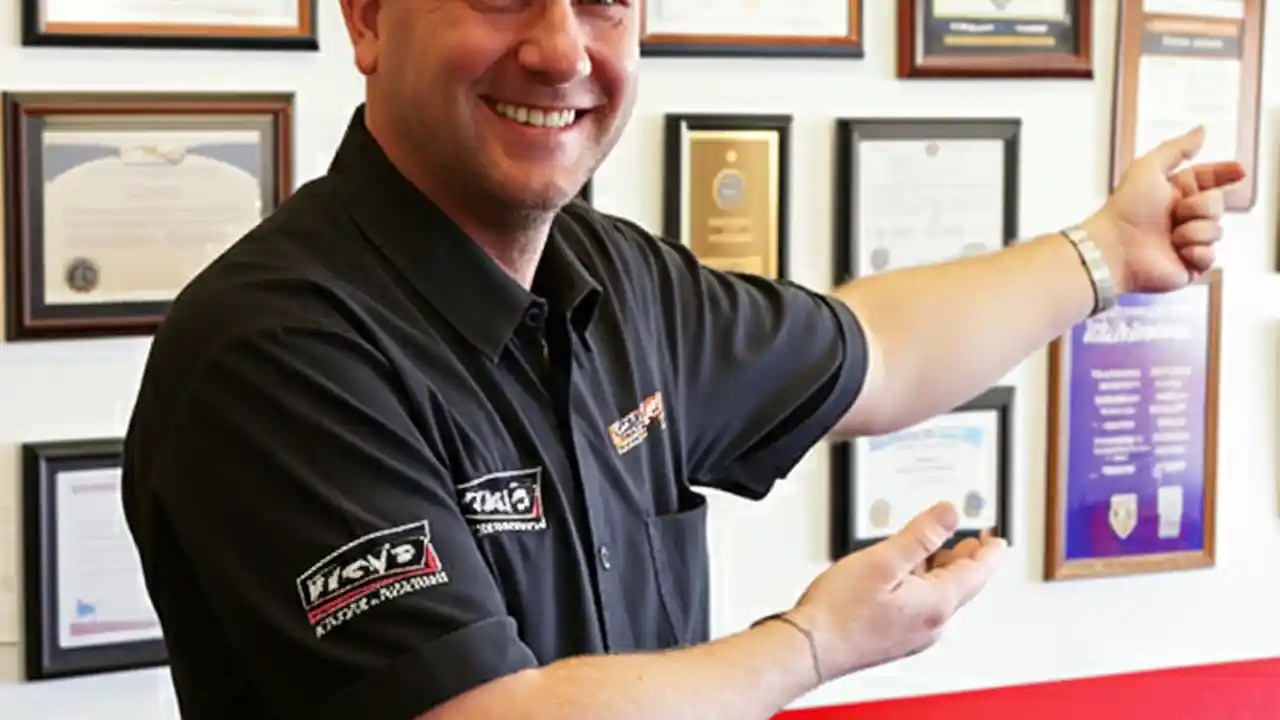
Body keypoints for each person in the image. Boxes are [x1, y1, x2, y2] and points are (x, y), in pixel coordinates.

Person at [119, 2, 1242, 719]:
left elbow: (880, 350)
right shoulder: (276, 350)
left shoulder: (618, 280)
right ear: (367, 20)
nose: (561, 49)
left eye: (603, 1)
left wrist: (1107, 254)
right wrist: (813, 647)